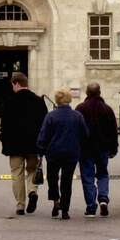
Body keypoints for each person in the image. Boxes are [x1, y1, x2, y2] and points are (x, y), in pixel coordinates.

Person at [0, 72, 47, 215]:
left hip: (14, 145)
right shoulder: (39, 100)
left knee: (17, 173)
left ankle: (20, 205)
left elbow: (5, 125)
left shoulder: (9, 101)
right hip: (33, 144)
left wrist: (4, 140)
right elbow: (44, 124)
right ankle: (32, 192)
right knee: (32, 170)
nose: (12, 88)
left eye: (12, 85)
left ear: (16, 83)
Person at [36, 89, 88, 220]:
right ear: (69, 100)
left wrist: (40, 152)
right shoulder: (78, 116)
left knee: (53, 178)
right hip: (71, 153)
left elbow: (44, 136)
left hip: (53, 152)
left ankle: (55, 201)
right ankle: (65, 209)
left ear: (57, 100)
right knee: (67, 181)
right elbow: (85, 135)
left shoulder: (51, 116)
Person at [76, 82, 119, 216]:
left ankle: (91, 206)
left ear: (87, 93)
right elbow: (113, 132)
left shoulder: (80, 109)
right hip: (103, 148)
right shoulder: (107, 109)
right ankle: (103, 199)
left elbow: (76, 131)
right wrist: (114, 149)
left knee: (87, 176)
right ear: (100, 93)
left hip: (85, 148)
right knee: (103, 174)